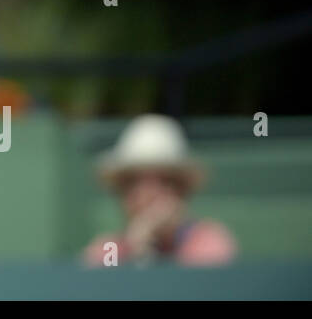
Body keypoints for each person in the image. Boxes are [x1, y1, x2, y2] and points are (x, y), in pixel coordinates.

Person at [82, 114, 237, 267]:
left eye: (164, 181)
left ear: (183, 190)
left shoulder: (210, 243)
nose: (148, 194)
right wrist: (136, 249)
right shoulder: (106, 251)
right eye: (133, 182)